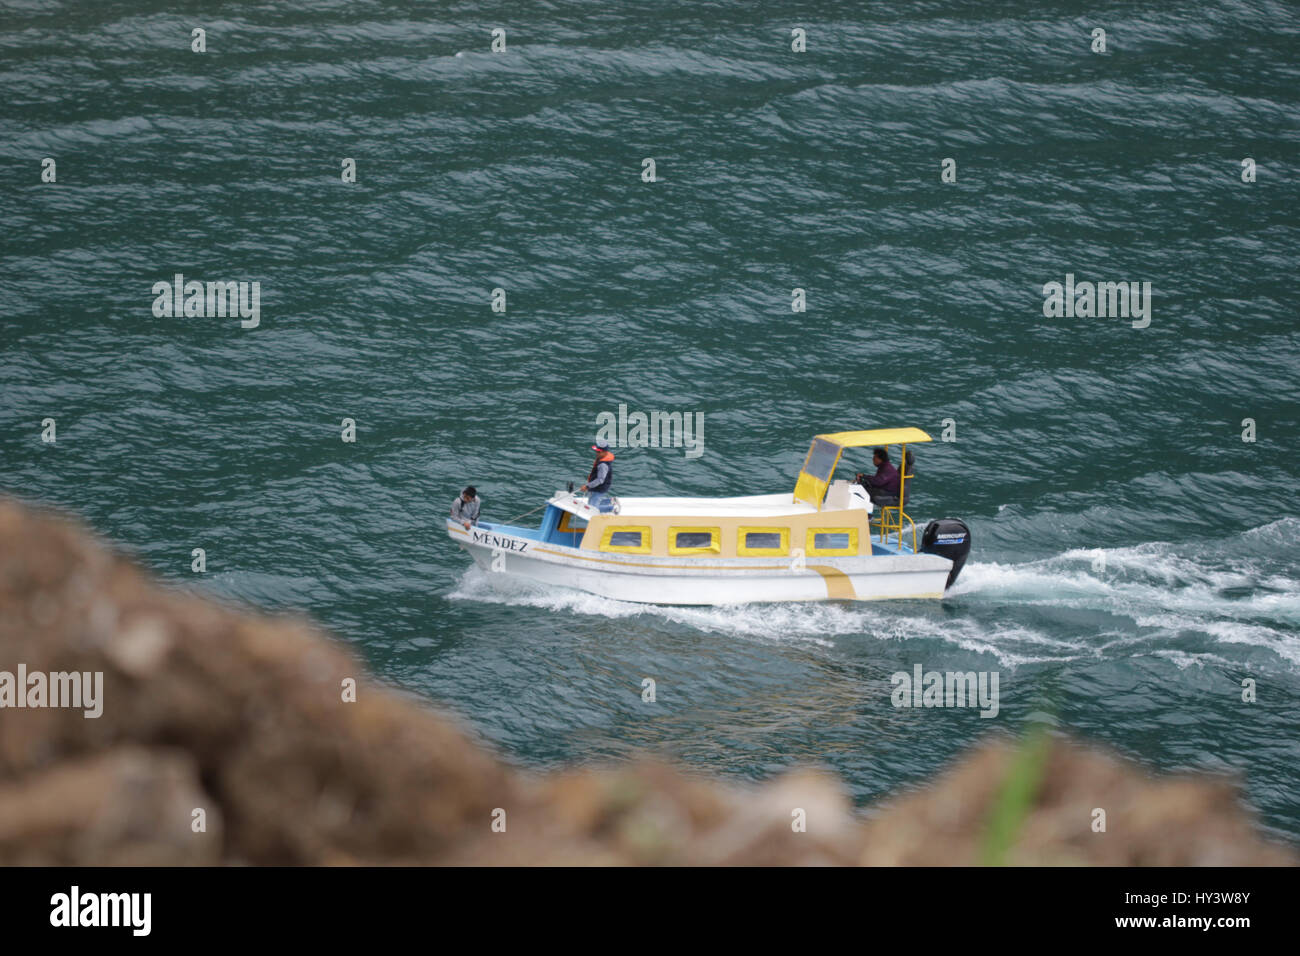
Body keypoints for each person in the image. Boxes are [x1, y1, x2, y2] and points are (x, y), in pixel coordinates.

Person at [580, 440, 616, 512]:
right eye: (596, 451)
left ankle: (612, 509)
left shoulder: (603, 465)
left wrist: (587, 486)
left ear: (605, 452)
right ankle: (610, 501)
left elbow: (600, 480)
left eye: (599, 452)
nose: (597, 453)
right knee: (592, 502)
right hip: (596, 487)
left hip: (599, 488)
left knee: (592, 508)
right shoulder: (601, 459)